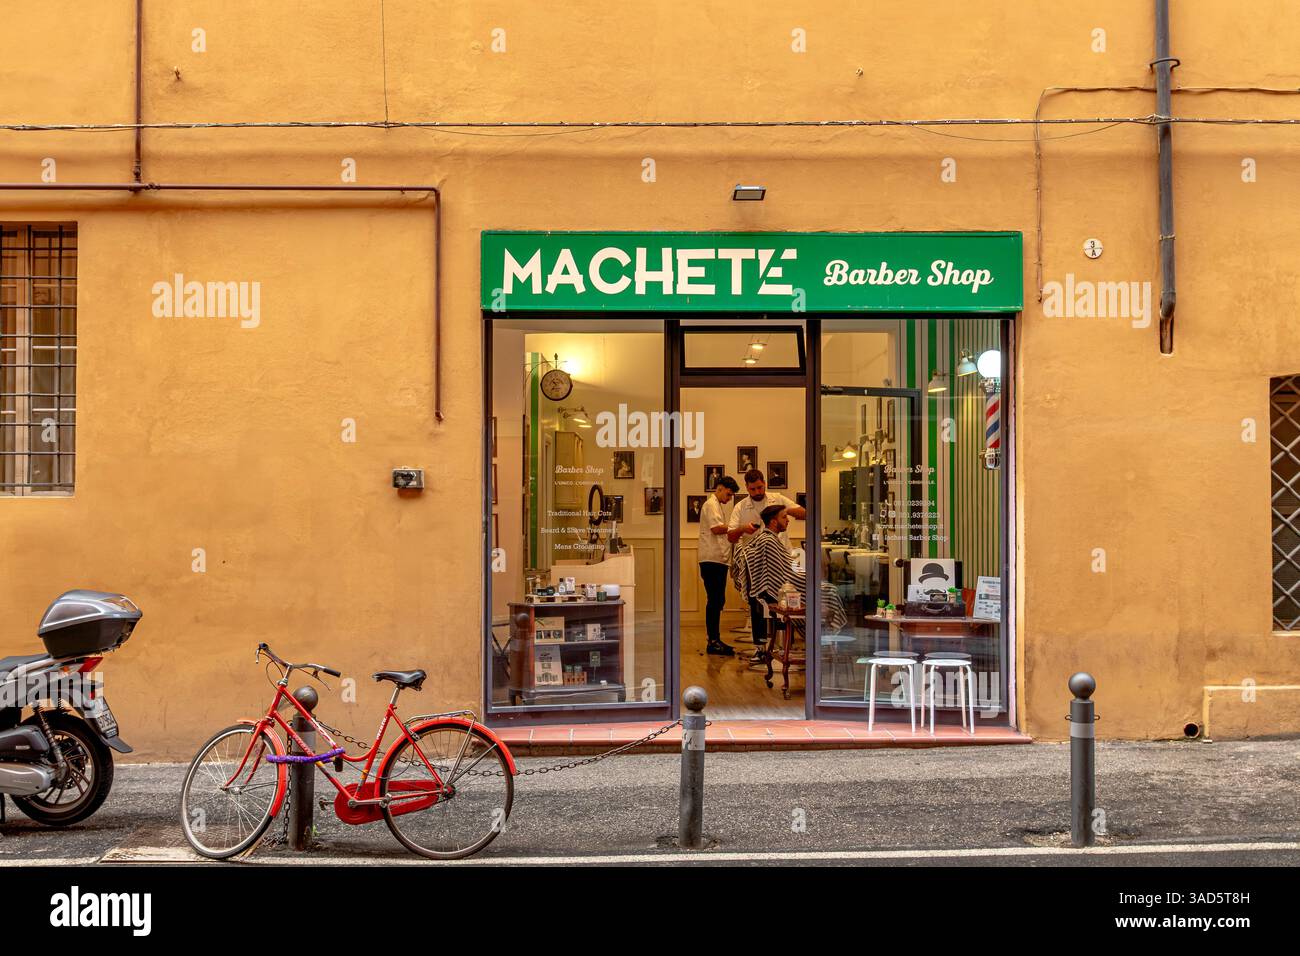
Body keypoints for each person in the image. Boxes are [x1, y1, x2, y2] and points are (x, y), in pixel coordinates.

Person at [727, 469, 805, 641]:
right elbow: (730, 536)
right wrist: (743, 529)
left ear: (765, 484)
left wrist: (784, 511)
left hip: (783, 558)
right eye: (753, 489)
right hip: (757, 564)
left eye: (760, 488)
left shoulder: (777, 497)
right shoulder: (740, 507)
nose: (757, 492)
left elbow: (804, 513)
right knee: (758, 601)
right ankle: (761, 646)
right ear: (747, 488)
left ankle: (785, 642)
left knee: (787, 599)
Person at [697, 475, 739, 655]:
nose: (729, 499)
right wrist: (738, 528)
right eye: (728, 494)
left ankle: (715, 638)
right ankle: (713, 641)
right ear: (719, 488)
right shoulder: (710, 505)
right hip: (712, 560)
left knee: (718, 600)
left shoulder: (717, 506)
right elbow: (716, 529)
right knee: (714, 601)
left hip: (718, 560)